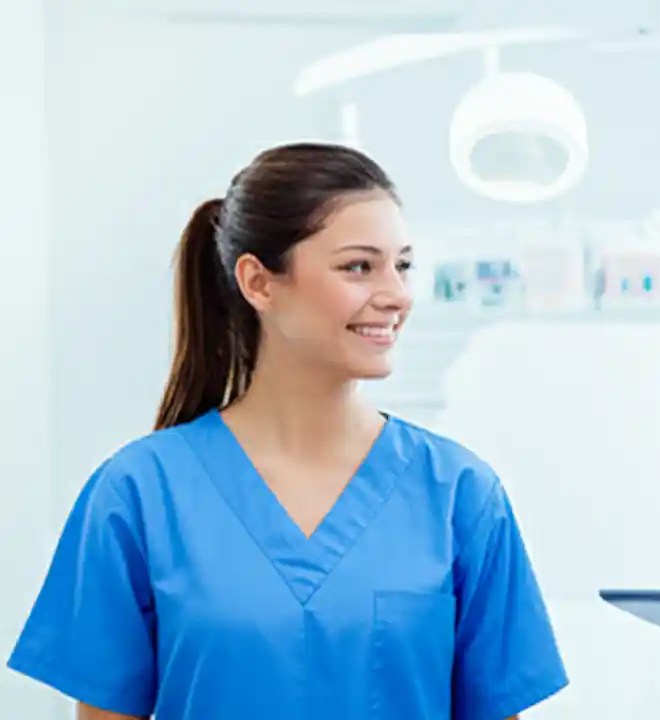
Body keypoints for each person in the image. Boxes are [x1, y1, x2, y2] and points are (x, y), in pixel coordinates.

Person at [7, 143, 568, 719]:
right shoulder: (139, 494)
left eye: (402, 265)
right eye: (358, 266)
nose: (397, 295)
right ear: (259, 283)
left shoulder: (460, 496)